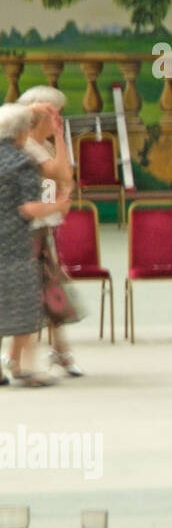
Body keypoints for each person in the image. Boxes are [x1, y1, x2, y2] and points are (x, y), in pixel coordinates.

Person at [0, 105, 69, 387]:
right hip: (14, 245)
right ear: (24, 133)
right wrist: (58, 204)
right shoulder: (22, 163)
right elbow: (27, 208)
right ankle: (21, 367)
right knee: (24, 303)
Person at [18, 87, 83, 378]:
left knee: (51, 289)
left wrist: (57, 136)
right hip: (26, 230)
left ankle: (60, 352)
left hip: (44, 228)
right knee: (33, 291)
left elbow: (66, 178)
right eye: (52, 115)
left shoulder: (43, 145)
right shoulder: (25, 147)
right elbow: (59, 176)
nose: (57, 119)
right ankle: (26, 359)